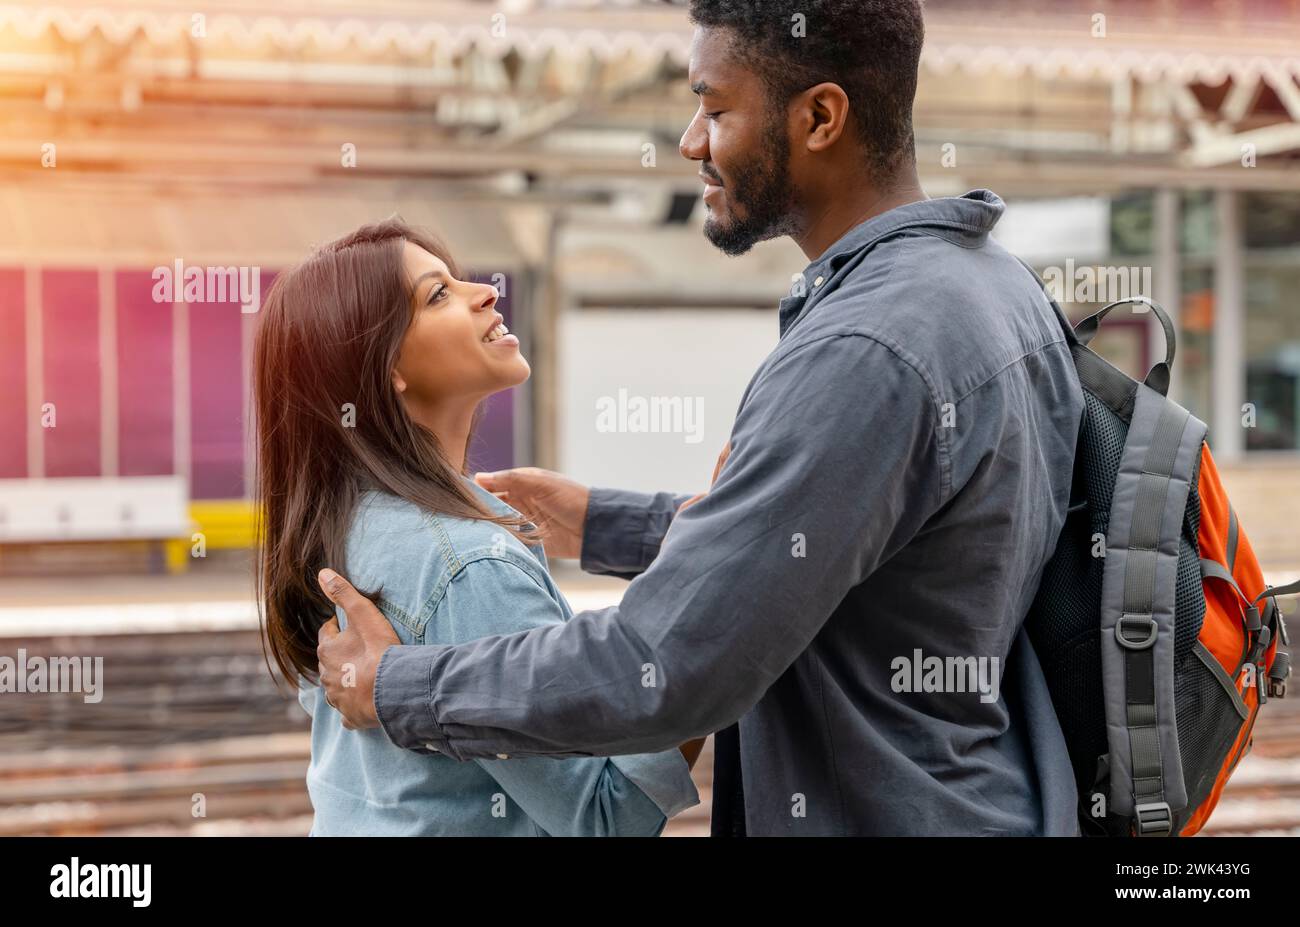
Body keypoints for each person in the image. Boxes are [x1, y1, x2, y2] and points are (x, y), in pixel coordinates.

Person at [315, 0, 1086, 835]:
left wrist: (396, 687)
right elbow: (843, 543)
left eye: (716, 109)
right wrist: (606, 523)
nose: (690, 141)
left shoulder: (865, 349)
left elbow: (667, 665)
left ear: (820, 117)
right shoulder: (994, 287)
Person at [253, 218, 701, 836]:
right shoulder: (470, 563)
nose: (486, 291)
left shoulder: (337, 528)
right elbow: (602, 817)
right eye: (438, 295)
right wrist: (713, 624)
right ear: (387, 370)